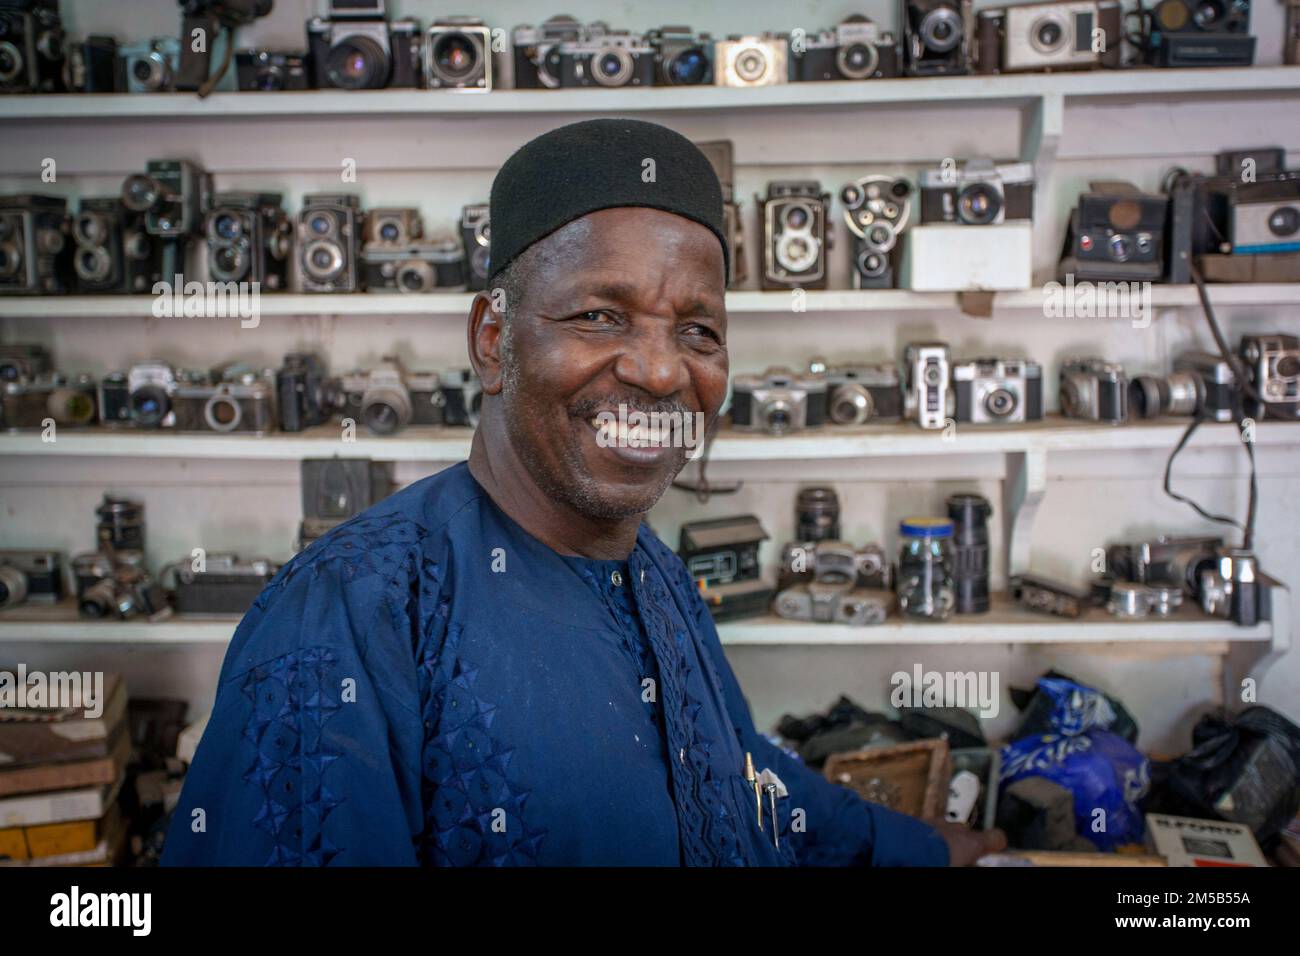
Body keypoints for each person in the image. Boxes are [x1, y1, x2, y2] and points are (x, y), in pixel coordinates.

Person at [162, 118, 1006, 866]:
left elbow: (742, 773)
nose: (660, 370)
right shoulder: (353, 613)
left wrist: (923, 847)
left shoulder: (658, 574)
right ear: (493, 343)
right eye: (600, 317)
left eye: (697, 331)